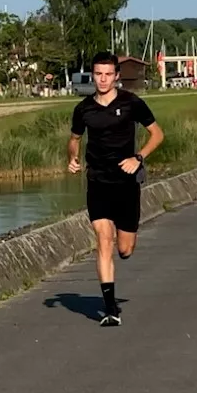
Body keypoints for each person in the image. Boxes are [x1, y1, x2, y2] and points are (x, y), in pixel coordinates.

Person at [68, 52, 164, 326]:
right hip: (98, 181)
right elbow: (74, 139)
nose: (103, 79)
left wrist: (139, 157)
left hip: (126, 183)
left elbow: (157, 134)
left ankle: (129, 238)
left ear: (117, 77)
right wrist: (72, 158)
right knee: (103, 240)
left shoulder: (132, 103)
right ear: (92, 75)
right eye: (98, 74)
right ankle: (110, 309)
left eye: (108, 74)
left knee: (125, 249)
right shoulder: (83, 109)